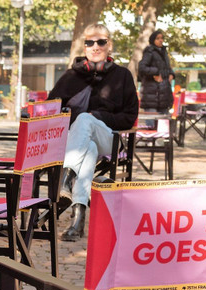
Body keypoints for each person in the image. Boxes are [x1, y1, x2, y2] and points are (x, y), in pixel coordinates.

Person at [49, 24, 140, 241]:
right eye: (89, 42)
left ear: (109, 44)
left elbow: (130, 116)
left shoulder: (122, 75)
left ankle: (66, 176)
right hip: (76, 143)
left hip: (109, 139)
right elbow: (50, 108)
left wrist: (98, 117)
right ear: (84, 46)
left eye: (101, 41)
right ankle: (78, 219)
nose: (95, 46)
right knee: (87, 150)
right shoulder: (71, 76)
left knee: (86, 119)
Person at [138, 29, 173, 113]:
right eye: (158, 38)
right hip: (151, 96)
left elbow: (167, 67)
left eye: (162, 38)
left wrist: (171, 74)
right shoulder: (149, 51)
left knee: (163, 124)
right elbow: (142, 67)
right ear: (153, 40)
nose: (161, 40)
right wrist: (156, 73)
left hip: (164, 96)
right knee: (151, 124)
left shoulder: (164, 52)